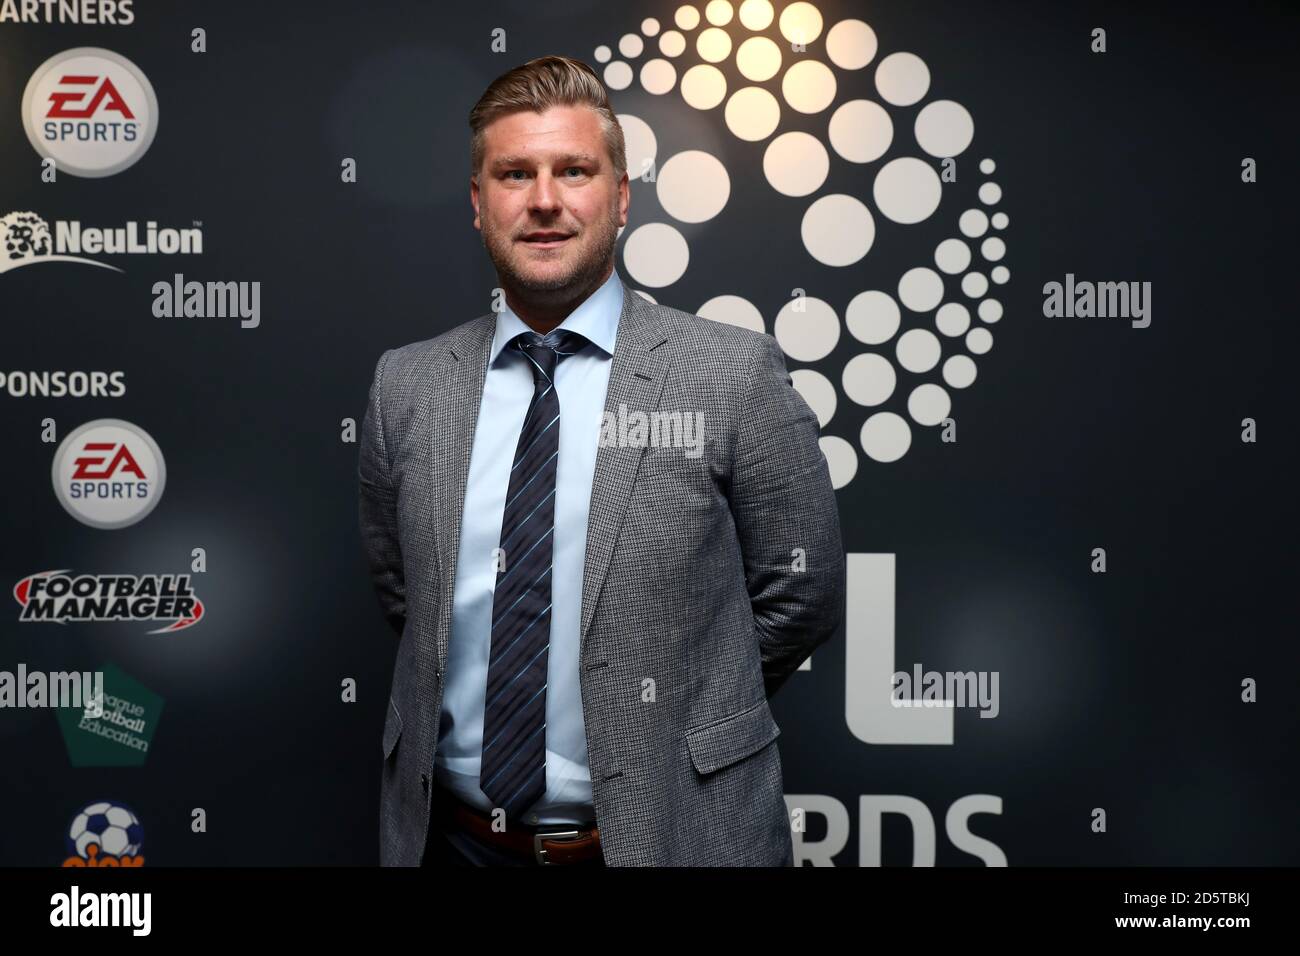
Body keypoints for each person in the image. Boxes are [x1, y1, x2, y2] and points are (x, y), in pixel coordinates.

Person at [359, 54, 845, 867]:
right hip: (452, 846)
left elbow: (803, 591)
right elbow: (407, 595)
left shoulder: (728, 373)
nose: (544, 200)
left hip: (668, 840)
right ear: (479, 205)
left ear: (620, 198)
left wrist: (682, 697)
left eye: (573, 170)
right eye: (515, 174)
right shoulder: (406, 386)